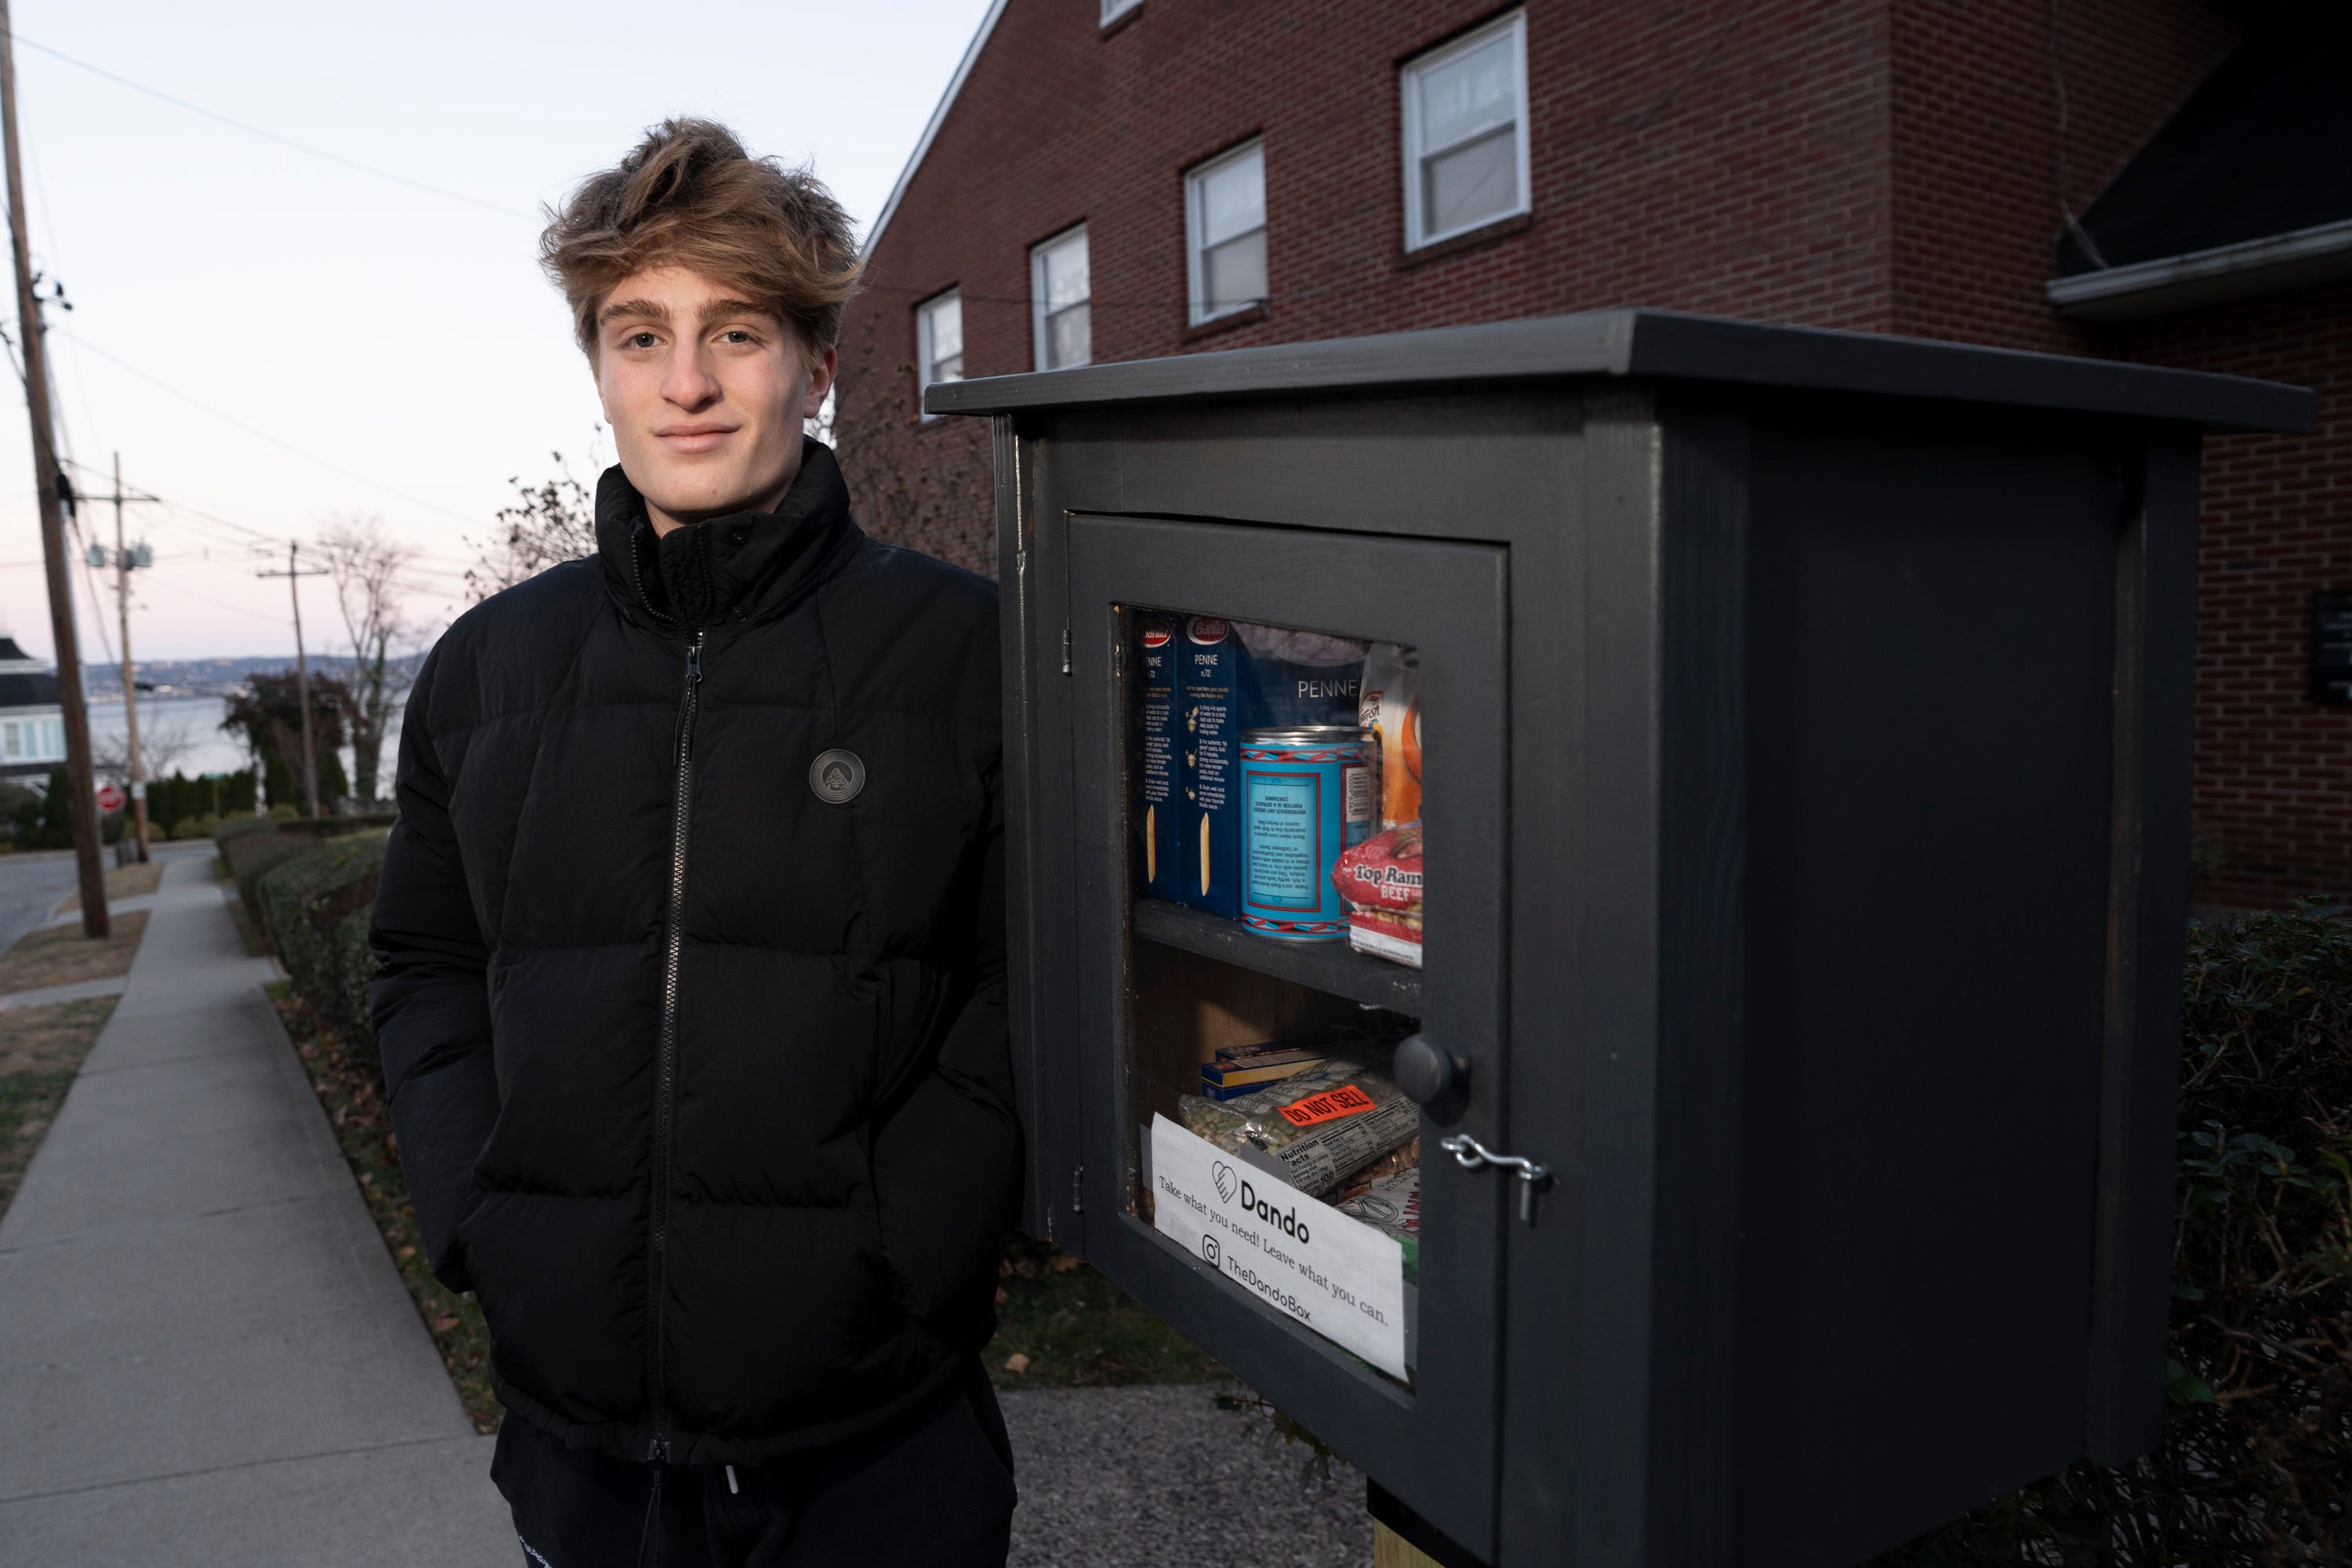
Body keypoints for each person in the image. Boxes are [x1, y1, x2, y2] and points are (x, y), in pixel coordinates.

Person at [369, 118, 1018, 1567]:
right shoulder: (486, 672)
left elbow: (1025, 978)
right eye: (638, 334)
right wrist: (481, 1213)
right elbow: (423, 959)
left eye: (734, 329)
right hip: (580, 1455)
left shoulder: (964, 655)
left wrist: (908, 1247)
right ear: (595, 368)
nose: (687, 382)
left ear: (817, 362)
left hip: (879, 1448)